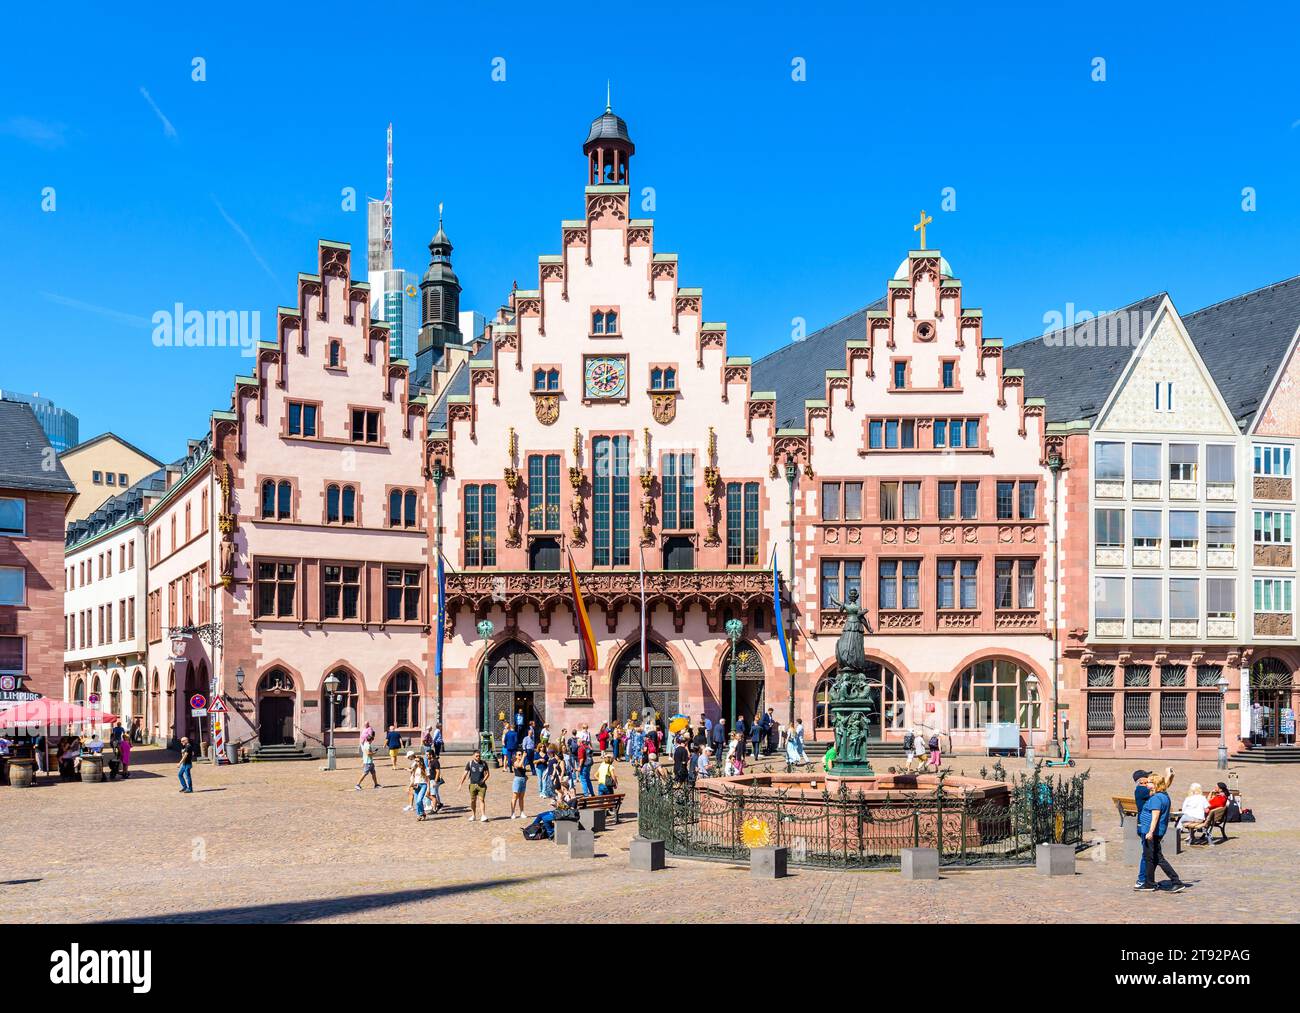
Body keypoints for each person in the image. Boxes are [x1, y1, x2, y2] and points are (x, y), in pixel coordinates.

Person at [1137, 770, 1186, 892]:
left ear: (1154, 784)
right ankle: (1149, 883)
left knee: (1157, 858)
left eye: (1149, 782)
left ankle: (1176, 881)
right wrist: (1170, 776)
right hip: (1155, 831)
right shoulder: (1164, 795)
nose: (1146, 784)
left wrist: (1150, 832)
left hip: (1151, 832)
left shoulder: (1156, 798)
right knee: (1150, 858)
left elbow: (1155, 816)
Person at [461, 748, 490, 822]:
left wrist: (483, 781)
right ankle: (473, 815)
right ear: (473, 756)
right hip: (472, 785)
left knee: (481, 799)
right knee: (473, 800)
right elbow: (465, 774)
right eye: (477, 756)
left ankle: (483, 815)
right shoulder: (470, 763)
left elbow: (487, 774)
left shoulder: (483, 763)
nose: (478, 757)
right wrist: (460, 784)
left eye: (479, 756)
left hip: (481, 785)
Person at [408, 751, 431, 820]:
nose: (416, 762)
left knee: (419, 800)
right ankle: (420, 814)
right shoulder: (415, 769)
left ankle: (422, 813)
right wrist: (410, 786)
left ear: (421, 761)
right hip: (416, 785)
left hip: (423, 785)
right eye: (415, 761)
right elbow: (413, 777)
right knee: (416, 801)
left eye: (417, 761)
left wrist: (428, 789)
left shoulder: (425, 769)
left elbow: (428, 779)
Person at [509, 749, 529, 819]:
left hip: (523, 780)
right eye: (519, 755)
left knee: (521, 797)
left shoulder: (523, 762)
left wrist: (526, 777)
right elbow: (519, 766)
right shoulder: (515, 762)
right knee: (515, 797)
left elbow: (522, 771)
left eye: (521, 754)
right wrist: (523, 756)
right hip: (517, 780)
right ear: (516, 756)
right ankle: (512, 812)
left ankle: (522, 812)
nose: (520, 756)